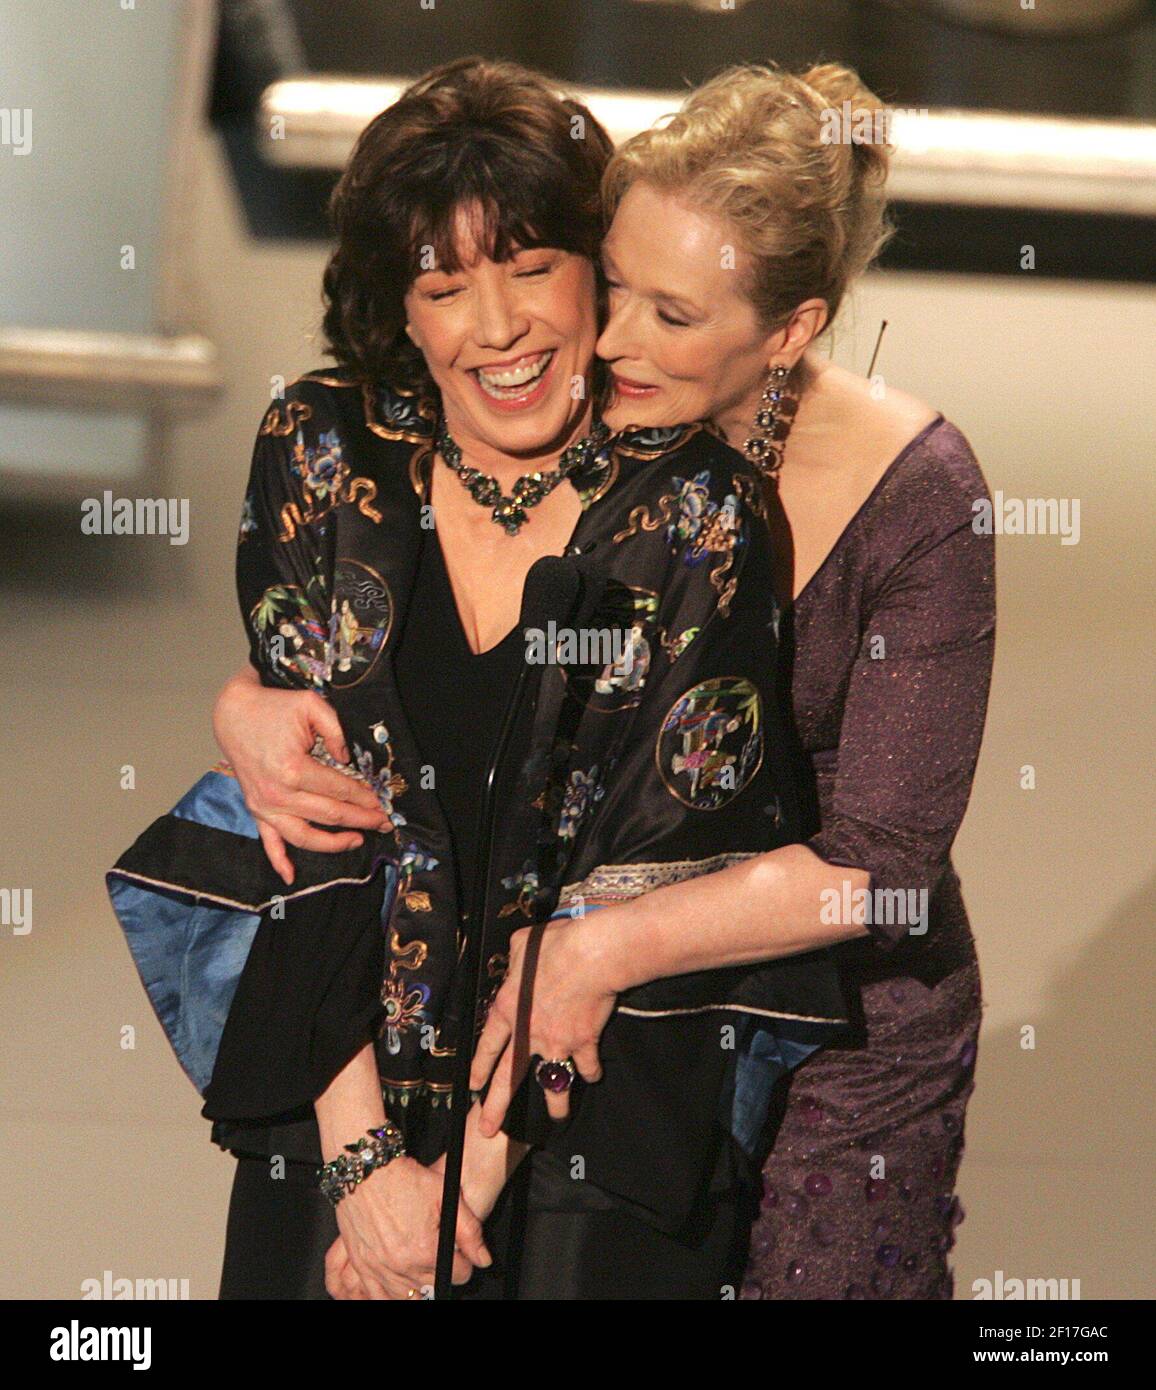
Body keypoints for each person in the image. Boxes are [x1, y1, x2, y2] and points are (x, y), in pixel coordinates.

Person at [218, 59, 995, 1301]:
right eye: (618, 284)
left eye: (669, 315)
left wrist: (586, 957)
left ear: (789, 330)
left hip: (801, 1027)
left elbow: (882, 871)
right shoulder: (372, 445)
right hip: (449, 1052)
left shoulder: (843, 506)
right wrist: (245, 703)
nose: (611, 339)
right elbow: (359, 748)